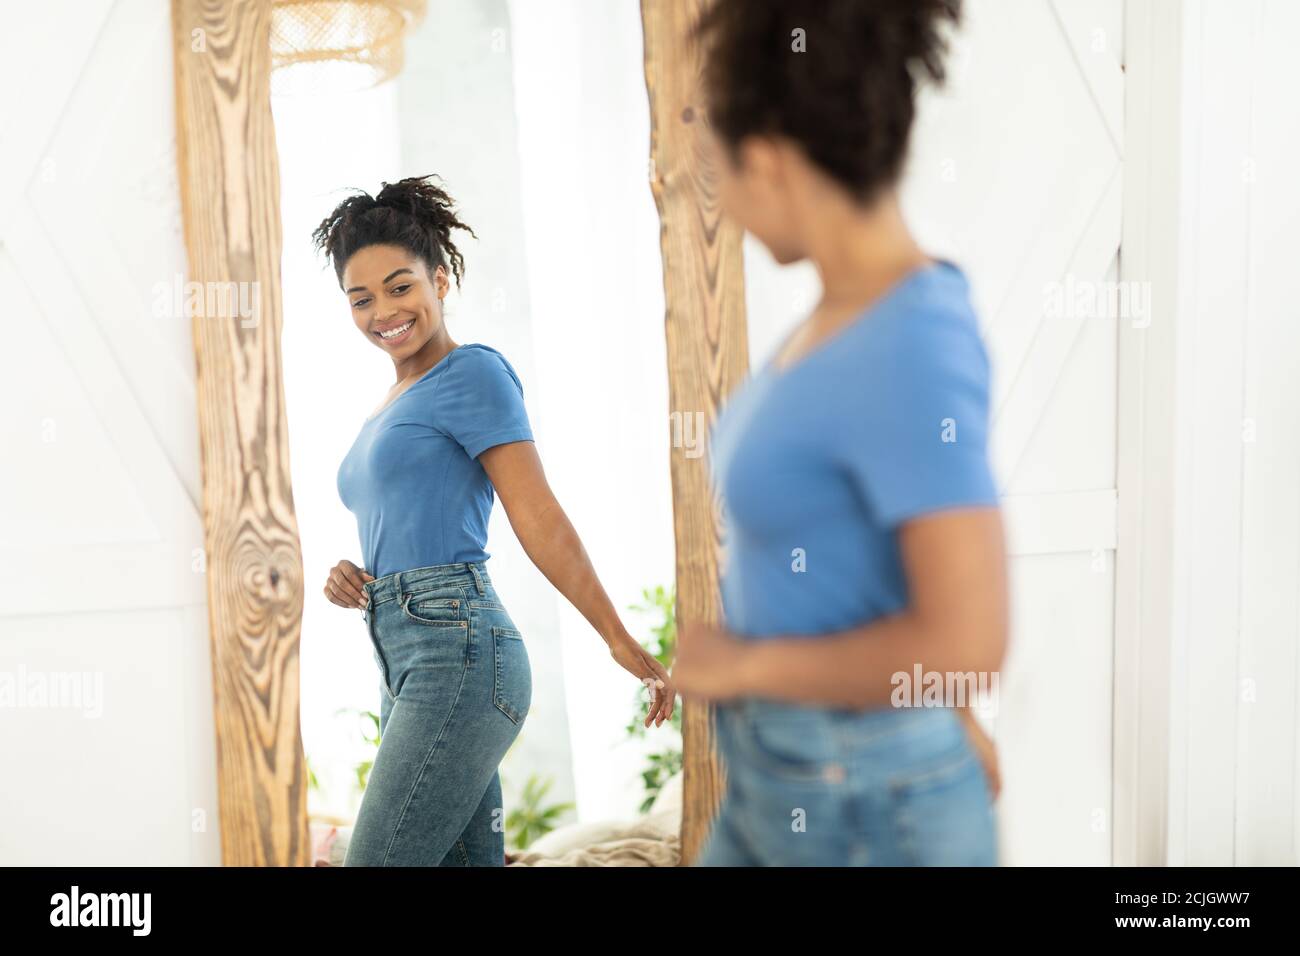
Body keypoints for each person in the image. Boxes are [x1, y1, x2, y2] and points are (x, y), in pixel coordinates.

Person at [671, 0, 1007, 866]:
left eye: (720, 168)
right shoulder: (841, 319)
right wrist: (953, 717)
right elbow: (886, 548)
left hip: (861, 800)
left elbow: (968, 644)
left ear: (771, 162)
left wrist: (743, 669)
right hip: (794, 778)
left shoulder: (908, 341)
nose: (726, 201)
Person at [316, 175, 675, 866]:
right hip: (402, 658)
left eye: (400, 286)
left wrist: (615, 636)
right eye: (360, 299)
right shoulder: (390, 402)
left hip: (460, 653)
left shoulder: (472, 373)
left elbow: (537, 513)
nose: (382, 311)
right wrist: (352, 576)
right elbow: (406, 517)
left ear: (440, 280)